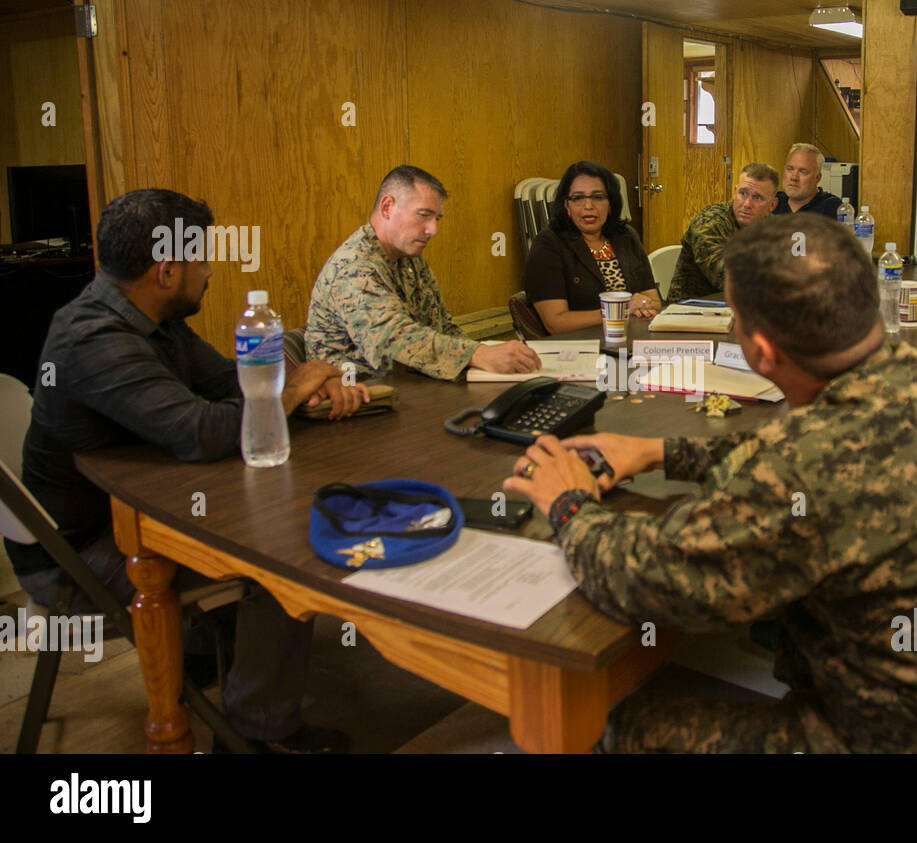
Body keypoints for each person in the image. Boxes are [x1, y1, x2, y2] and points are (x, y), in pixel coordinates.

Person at [502, 213, 917, 753]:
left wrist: (568, 502)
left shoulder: (801, 466)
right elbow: (821, 457)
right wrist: (662, 451)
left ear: (759, 350)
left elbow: (651, 581)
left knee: (622, 725)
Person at [4, 189, 369, 752]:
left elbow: (228, 385)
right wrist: (294, 388)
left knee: (271, 520)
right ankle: (257, 733)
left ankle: (206, 656)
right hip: (76, 557)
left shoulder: (154, 319)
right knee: (283, 557)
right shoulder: (92, 337)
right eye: (202, 262)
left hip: (136, 508)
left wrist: (303, 393)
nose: (209, 275)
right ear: (168, 270)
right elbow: (203, 433)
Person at [307, 165, 540, 379]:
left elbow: (442, 326)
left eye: (436, 218)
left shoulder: (408, 259)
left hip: (405, 388)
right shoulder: (354, 266)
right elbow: (393, 339)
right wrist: (477, 355)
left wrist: (491, 358)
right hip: (354, 397)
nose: (433, 230)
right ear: (387, 207)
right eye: (423, 215)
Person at [523, 161, 660, 335]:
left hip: (633, 336)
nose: (588, 206)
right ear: (567, 205)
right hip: (579, 347)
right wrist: (621, 311)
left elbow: (654, 300)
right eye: (578, 198)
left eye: (598, 197)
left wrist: (642, 305)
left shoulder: (626, 236)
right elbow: (555, 322)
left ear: (610, 203)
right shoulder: (548, 244)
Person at [665, 162, 779, 303]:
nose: (747, 204)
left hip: (742, 308)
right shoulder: (710, 222)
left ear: (772, 205)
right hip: (690, 311)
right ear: (735, 192)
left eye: (757, 198)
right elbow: (725, 277)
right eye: (743, 194)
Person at [772, 143, 840, 217]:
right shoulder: (772, 202)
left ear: (817, 178)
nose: (794, 178)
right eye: (790, 169)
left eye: (803, 172)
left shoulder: (832, 207)